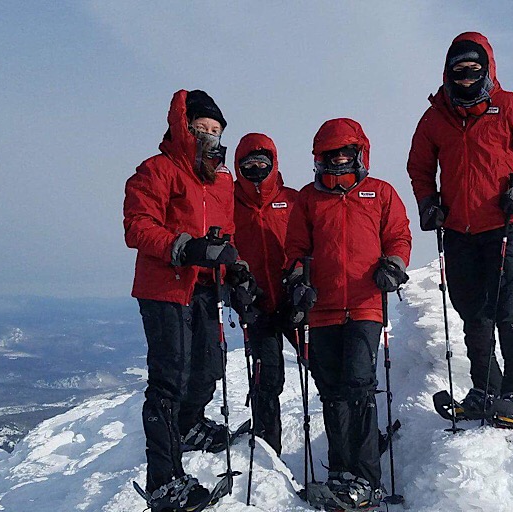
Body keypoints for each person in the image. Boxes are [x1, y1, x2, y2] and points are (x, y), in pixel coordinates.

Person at [406, 32, 513, 429]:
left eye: (473, 70)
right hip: (459, 232)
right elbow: (419, 167)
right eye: (458, 72)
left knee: (506, 310)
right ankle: (486, 390)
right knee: (473, 315)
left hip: (504, 227)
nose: (465, 79)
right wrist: (429, 204)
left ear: (487, 69)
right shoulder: (435, 118)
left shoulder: (512, 107)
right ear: (447, 72)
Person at [123, 89, 255, 511]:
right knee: (170, 379)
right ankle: (164, 481)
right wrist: (186, 247)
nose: (210, 136)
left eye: (216, 131)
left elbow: (226, 236)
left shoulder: (220, 182)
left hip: (204, 288)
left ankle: (191, 425)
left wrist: (234, 269)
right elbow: (138, 226)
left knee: (209, 366)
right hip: (165, 287)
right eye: (202, 128)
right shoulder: (157, 170)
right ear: (184, 127)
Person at [283, 118, 412, 508]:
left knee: (358, 387)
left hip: (365, 304)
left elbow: (399, 235)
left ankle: (367, 480)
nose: (338, 162)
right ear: (319, 159)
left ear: (359, 154)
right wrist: (297, 282)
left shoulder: (381, 193)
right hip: (321, 309)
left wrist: (393, 264)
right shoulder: (309, 199)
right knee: (333, 392)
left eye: (344, 155)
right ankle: (341, 473)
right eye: (330, 157)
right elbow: (296, 248)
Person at [230, 132, 298, 456]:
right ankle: (269, 454)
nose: (256, 168)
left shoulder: (294, 200)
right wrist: (233, 285)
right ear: (238, 166)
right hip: (256, 305)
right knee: (267, 378)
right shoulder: (227, 205)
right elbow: (221, 253)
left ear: (273, 163)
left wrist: (303, 278)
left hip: (295, 300)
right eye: (249, 163)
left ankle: (351, 446)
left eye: (262, 162)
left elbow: (312, 245)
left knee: (329, 369)